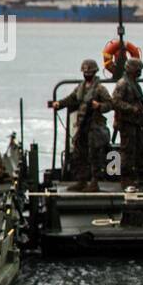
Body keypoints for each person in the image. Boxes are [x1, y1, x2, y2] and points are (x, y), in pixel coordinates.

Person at [48, 59, 111, 192]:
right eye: (85, 72)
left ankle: (94, 182)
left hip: (94, 125)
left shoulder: (100, 89)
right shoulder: (80, 87)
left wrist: (99, 106)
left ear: (94, 72)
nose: (87, 74)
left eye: (89, 72)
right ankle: (81, 180)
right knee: (78, 154)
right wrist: (59, 104)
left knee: (94, 154)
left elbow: (110, 104)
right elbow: (72, 98)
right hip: (82, 125)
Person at [110, 57, 143, 189]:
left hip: (136, 122)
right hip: (127, 123)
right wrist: (131, 108)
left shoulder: (134, 83)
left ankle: (139, 175)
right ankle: (126, 178)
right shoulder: (123, 84)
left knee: (140, 149)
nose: (140, 72)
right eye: (138, 70)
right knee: (127, 151)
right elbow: (115, 101)